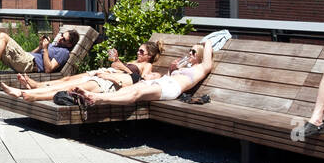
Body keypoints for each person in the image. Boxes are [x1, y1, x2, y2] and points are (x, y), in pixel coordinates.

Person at [66, 41, 215, 108]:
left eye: (193, 52)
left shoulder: (201, 68)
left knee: (137, 93)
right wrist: (171, 69)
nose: (190, 53)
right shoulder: (185, 67)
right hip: (164, 82)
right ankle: (95, 98)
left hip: (172, 88)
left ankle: (97, 98)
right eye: (190, 50)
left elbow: (208, 51)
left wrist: (205, 42)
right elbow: (170, 76)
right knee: (129, 89)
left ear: (200, 56)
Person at [0, 41, 159, 101]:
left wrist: (120, 64)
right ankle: (37, 86)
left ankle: (29, 93)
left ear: (150, 56)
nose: (138, 53)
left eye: (142, 52)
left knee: (70, 88)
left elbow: (140, 80)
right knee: (66, 80)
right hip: (105, 72)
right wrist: (117, 62)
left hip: (108, 78)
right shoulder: (134, 61)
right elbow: (121, 69)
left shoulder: (147, 66)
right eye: (138, 50)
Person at [0, 26, 80, 76]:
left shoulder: (64, 53)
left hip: (29, 65)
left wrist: (45, 49)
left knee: (2, 35)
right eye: (61, 36)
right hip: (26, 59)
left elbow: (48, 69)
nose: (60, 38)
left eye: (64, 39)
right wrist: (40, 47)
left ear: (69, 44)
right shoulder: (55, 45)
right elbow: (33, 54)